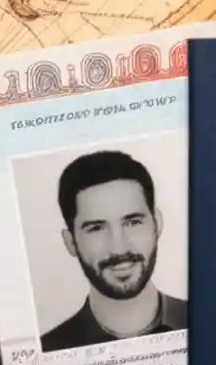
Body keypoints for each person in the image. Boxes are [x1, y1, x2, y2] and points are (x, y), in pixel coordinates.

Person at [41, 150, 186, 352]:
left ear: (157, 224)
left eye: (133, 222)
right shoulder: (48, 350)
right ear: (71, 242)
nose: (118, 248)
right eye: (96, 228)